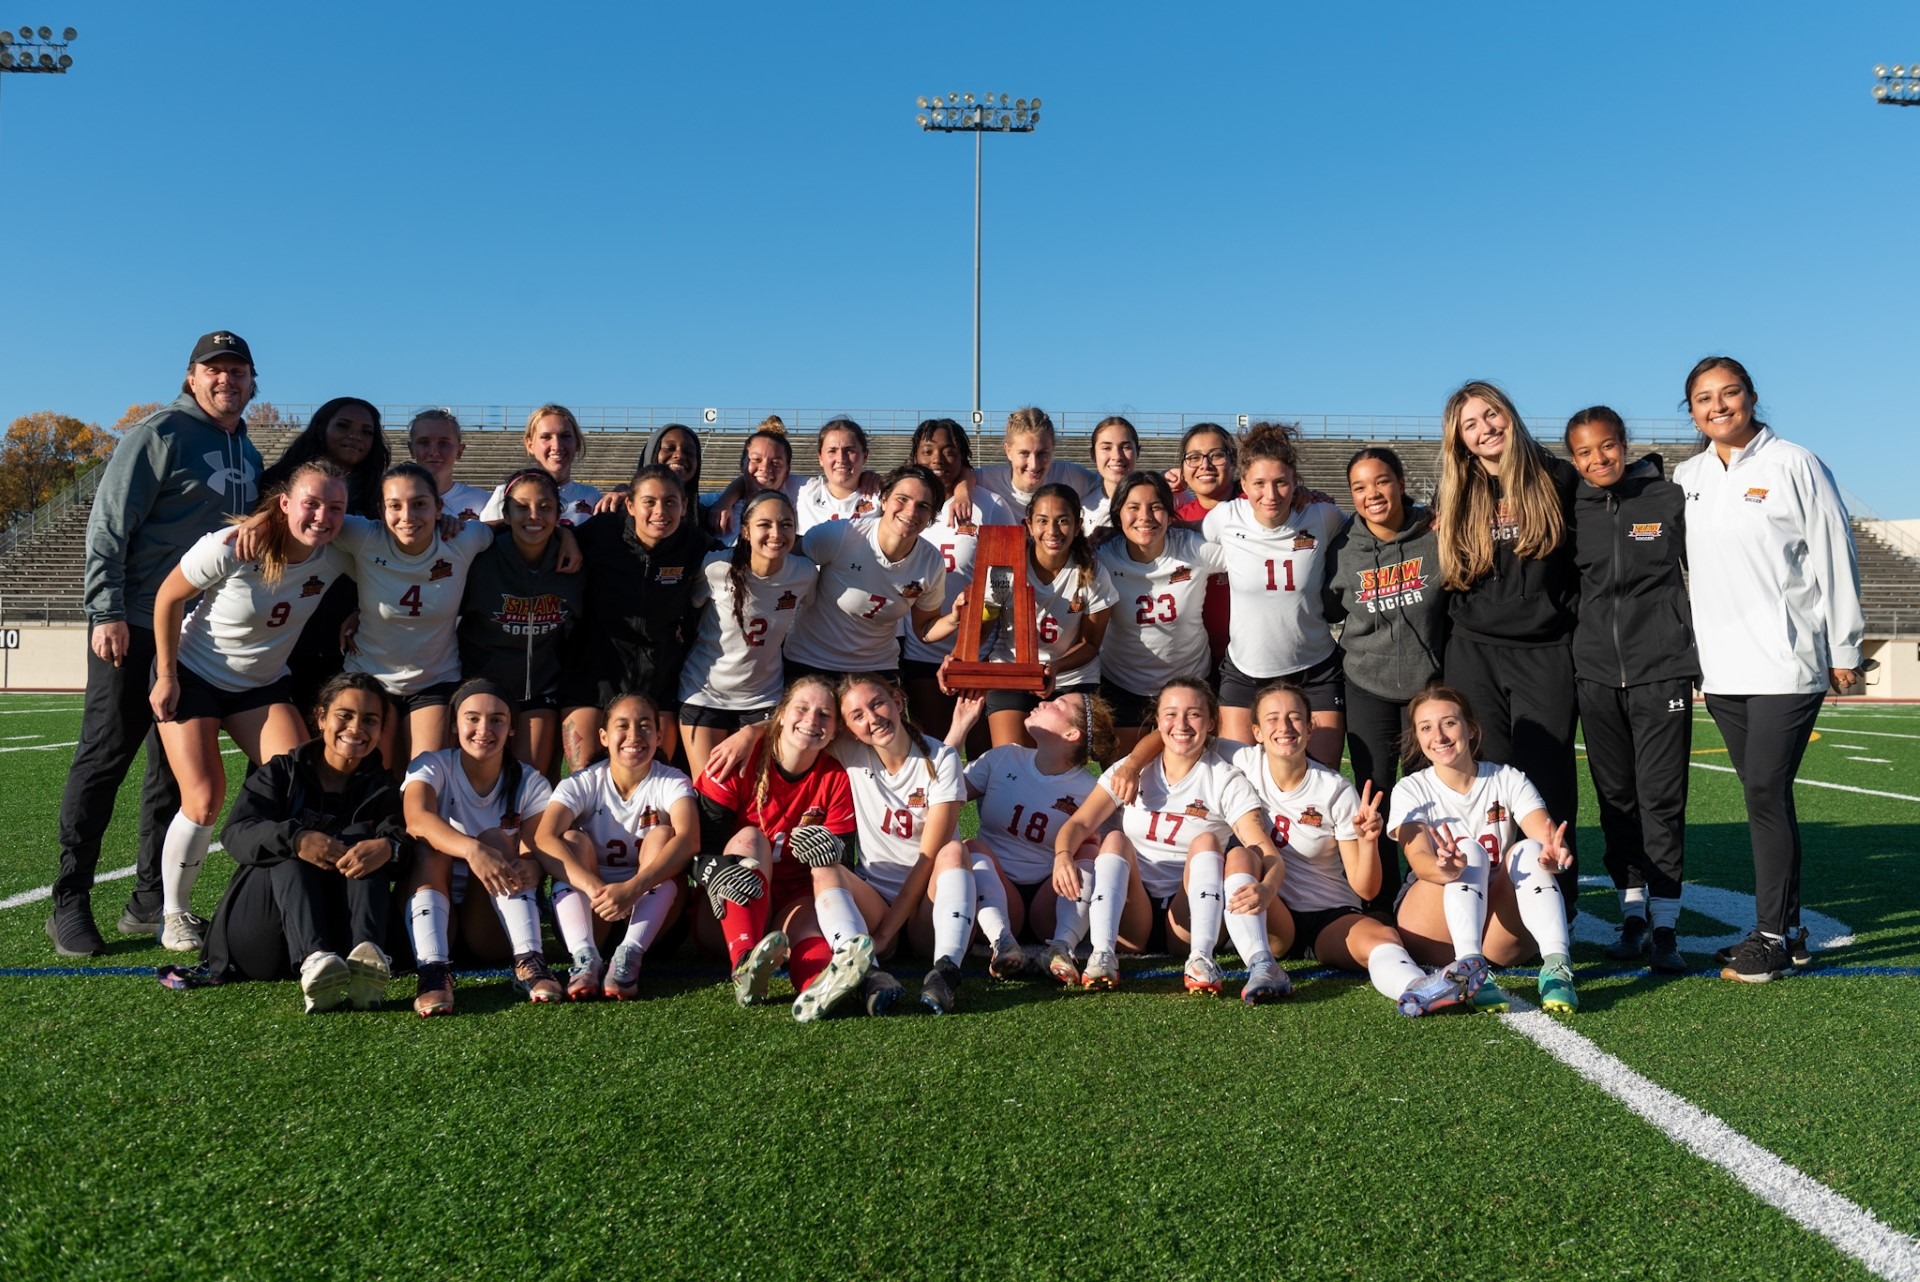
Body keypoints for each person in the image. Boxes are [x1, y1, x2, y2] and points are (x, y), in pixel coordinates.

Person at [49, 330, 264, 957]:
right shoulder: (160, 433)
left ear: (253, 382)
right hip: (139, 622)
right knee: (104, 758)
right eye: (214, 369)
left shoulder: (247, 449)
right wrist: (106, 610)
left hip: (199, 634)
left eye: (238, 370)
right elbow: (109, 525)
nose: (226, 379)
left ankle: (149, 899)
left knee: (173, 769)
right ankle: (69, 899)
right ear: (192, 377)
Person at [1674, 356, 1865, 982]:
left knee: (1762, 790)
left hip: (1787, 661)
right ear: (1692, 411)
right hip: (1722, 670)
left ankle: (1772, 938)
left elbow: (1835, 551)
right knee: (1765, 797)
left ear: (1752, 398)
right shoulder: (1688, 475)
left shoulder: (1795, 464)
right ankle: (1792, 931)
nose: (1718, 406)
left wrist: (1844, 647)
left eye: (1729, 392)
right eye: (1704, 398)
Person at [146, 461, 352, 952]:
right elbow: (168, 598)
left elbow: (400, 546)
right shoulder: (232, 545)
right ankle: (173, 913)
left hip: (260, 685)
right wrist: (167, 675)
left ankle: (291, 905)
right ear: (284, 503)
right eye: (311, 504)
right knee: (203, 797)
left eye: (335, 507)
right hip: (193, 674)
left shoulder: (342, 545)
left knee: (305, 784)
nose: (323, 516)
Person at [1435, 381, 1582, 905]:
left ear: (1510, 415)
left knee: (1548, 779)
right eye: (1470, 424)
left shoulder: (1558, 477)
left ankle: (1556, 902)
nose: (1485, 429)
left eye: (1491, 415)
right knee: (1485, 781)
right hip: (1474, 651)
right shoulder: (1455, 491)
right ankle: (1491, 901)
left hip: (1544, 650)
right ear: (1460, 439)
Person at [1052, 678, 1288, 1001]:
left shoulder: (1224, 779)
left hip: (1190, 916)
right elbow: (1079, 823)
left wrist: (1267, 887)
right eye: (1171, 714)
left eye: (1194, 714)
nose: (1182, 724)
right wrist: (1062, 855)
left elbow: (1263, 850)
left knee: (1207, 841)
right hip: (1131, 914)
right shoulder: (1131, 769)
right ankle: (1102, 954)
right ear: (1157, 721)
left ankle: (1201, 959)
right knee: (1115, 840)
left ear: (1211, 723)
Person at [1565, 407, 1696, 974]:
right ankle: (1633, 913)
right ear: (1573, 459)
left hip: (1661, 669)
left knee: (1661, 800)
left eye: (1607, 446)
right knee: (1616, 799)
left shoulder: (1668, 497)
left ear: (1625, 443)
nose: (1599, 459)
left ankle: (1665, 926)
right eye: (1585, 452)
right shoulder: (1572, 505)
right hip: (1595, 674)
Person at [192, 673, 409, 1012]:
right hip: (265, 937)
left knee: (366, 843)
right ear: (321, 717)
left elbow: (410, 849)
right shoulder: (281, 772)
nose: (356, 728)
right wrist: (297, 839)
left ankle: (367, 960)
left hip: (341, 938)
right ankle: (313, 959)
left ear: (381, 730)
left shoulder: (384, 788)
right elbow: (235, 834)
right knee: (289, 842)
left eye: (370, 720)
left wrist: (389, 849)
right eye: (345, 715)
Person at [1223, 682, 1439, 1014]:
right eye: (1272, 719)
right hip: (1272, 914)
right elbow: (1182, 736)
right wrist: (1138, 763)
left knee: (1383, 938)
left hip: (1327, 915)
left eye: (1295, 717)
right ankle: (1261, 963)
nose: (1285, 727)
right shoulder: (1242, 762)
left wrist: (1368, 842)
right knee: (1240, 855)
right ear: (1257, 732)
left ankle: (1417, 990)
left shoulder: (1334, 789)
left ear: (1310, 728)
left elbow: (1366, 889)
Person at [690, 675, 880, 1022]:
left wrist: (830, 851)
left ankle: (818, 987)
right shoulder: (737, 759)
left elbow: (842, 864)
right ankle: (744, 963)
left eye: (824, 715)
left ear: (835, 731)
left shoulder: (835, 777)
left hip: (790, 906)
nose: (811, 720)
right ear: (780, 715)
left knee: (809, 916)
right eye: (802, 708)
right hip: (727, 908)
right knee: (751, 839)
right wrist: (714, 872)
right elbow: (695, 848)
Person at [1389, 685, 1578, 1015]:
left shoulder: (1507, 778)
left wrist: (1553, 858)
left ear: (1471, 728)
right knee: (1469, 852)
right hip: (1432, 924)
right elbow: (1419, 860)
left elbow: (1546, 838)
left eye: (1449, 723)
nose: (1439, 736)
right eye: (1426, 727)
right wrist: (1443, 868)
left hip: (1494, 926)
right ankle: (1469, 969)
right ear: (1417, 737)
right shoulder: (1411, 788)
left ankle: (1557, 967)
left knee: (1529, 850)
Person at [1322, 446, 1446, 910]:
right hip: (1366, 684)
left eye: (1381, 481)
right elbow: (1329, 607)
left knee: (1425, 794)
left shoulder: (1434, 532)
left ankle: (1424, 896)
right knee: (1375, 791)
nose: (1371, 494)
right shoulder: (1343, 548)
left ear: (1401, 482)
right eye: (1359, 487)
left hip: (1427, 688)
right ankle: (1379, 899)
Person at [401, 679, 561, 1014]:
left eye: (497, 719)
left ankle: (530, 960)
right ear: (454, 725)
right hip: (432, 909)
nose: (484, 729)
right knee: (433, 847)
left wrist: (532, 866)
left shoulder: (529, 781)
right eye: (472, 718)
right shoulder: (431, 765)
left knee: (495, 839)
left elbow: (536, 848)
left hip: (489, 923)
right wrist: (472, 850)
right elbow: (417, 820)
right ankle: (433, 971)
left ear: (512, 728)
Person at [532, 692, 699, 1000]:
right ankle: (584, 957)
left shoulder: (672, 781)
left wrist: (634, 888)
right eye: (622, 725)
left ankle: (630, 953)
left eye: (644, 725)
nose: (634, 735)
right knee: (571, 840)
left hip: (652, 921)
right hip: (593, 914)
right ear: (604, 736)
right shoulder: (583, 782)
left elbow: (689, 839)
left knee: (663, 836)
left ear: (659, 735)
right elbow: (543, 838)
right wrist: (596, 889)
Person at [945, 687, 1116, 986]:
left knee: (1090, 851)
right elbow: (939, 796)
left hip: (1053, 901)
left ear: (1072, 734)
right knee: (971, 847)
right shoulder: (1003, 757)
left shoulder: (1090, 788)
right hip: (994, 894)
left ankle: (1062, 946)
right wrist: (958, 730)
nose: (1044, 702)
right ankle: (1002, 942)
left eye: (1058, 704)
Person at [334, 462, 498, 771]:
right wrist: (259, 522)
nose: (407, 516)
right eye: (395, 506)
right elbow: (308, 518)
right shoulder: (364, 535)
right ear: (380, 510)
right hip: (369, 677)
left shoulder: (462, 538)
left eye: (420, 504)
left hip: (434, 680)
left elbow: (513, 527)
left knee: (424, 778)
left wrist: (564, 536)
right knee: (371, 776)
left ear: (439, 507)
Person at [1203, 422, 1346, 762]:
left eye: (1281, 482)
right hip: (1246, 670)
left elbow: (1371, 531)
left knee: (1322, 777)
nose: (1271, 494)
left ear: (1296, 481)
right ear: (1243, 484)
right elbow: (1178, 539)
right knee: (1239, 778)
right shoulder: (1224, 518)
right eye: (1259, 483)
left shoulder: (1323, 516)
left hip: (1315, 669)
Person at [828, 675, 972, 1014]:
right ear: (849, 730)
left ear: (897, 701)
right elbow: (795, 730)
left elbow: (927, 859)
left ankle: (945, 972)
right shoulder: (850, 750)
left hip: (927, 909)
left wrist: (883, 935)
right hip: (876, 903)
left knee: (953, 850)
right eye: (857, 715)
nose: (872, 718)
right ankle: (864, 971)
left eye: (877, 703)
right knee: (825, 870)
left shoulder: (942, 757)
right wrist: (748, 735)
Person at [560, 462, 712, 772]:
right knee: (585, 778)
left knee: (653, 779)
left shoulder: (694, 544)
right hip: (594, 673)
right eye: (649, 502)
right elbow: (543, 534)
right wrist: (564, 534)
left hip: (659, 676)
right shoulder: (601, 533)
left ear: (684, 506)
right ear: (630, 505)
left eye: (670, 502)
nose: (660, 511)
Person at [258, 398, 389, 712]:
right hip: (284, 626)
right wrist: (258, 519)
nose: (355, 435)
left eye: (367, 431)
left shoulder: (381, 495)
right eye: (343, 425)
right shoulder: (279, 483)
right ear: (321, 429)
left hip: (347, 631)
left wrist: (362, 610)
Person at [456, 467, 586, 777]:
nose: (534, 516)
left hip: (540, 690)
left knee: (530, 781)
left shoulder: (575, 561)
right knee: (479, 781)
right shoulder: (479, 556)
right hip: (483, 686)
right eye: (522, 507)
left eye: (545, 507)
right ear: (506, 513)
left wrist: (566, 535)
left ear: (559, 514)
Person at [677, 489, 816, 778]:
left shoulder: (804, 573)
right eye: (764, 524)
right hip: (705, 693)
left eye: (786, 524)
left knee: (756, 790)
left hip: (763, 697)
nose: (776, 533)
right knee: (711, 791)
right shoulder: (716, 567)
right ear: (745, 531)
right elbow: (689, 605)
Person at [782, 464, 961, 685]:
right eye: (902, 499)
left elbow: (924, 630)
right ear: (884, 500)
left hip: (876, 668)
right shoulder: (841, 534)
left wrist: (955, 618)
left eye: (923, 506)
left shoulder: (931, 562)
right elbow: (785, 569)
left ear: (932, 516)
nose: (911, 512)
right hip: (811, 662)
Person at [1095, 470, 1228, 754]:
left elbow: (1252, 551)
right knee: (1122, 772)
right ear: (1118, 513)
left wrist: (1296, 506)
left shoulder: (1192, 549)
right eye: (1133, 507)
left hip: (1190, 682)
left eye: (1155, 507)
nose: (1145, 517)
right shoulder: (1103, 556)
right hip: (1123, 684)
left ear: (1169, 514)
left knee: (1194, 770)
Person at [900, 417, 1015, 741]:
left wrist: (978, 638)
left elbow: (1005, 577)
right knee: (932, 749)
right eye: (928, 451)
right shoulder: (903, 506)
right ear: (915, 456)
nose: (938, 459)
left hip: (978, 649)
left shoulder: (990, 506)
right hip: (920, 650)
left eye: (949, 451)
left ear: (963, 456)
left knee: (984, 756)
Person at [980, 483, 1117, 747]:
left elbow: (1090, 644)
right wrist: (963, 639)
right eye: (1042, 521)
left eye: (1062, 521)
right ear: (1029, 525)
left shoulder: (1092, 572)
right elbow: (984, 628)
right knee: (1011, 758)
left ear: (1077, 526)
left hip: (1071, 675)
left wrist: (1055, 667)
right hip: (1013, 670)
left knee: (1062, 760)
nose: (1052, 530)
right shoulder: (1006, 568)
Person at [1170, 422, 1240, 670]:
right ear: (1182, 468)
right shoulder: (1174, 522)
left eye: (1216, 455)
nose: (1205, 465)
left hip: (1253, 656)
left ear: (1233, 461)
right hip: (1195, 660)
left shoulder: (1257, 507)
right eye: (1194, 457)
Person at [479, 404, 601, 525]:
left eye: (565, 436)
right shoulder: (506, 494)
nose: (557, 446)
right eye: (546, 437)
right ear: (530, 445)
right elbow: (485, 536)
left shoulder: (592, 496)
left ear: (577, 443)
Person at [973, 406, 1102, 519]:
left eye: (1042, 453)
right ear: (1008, 451)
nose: (1034, 464)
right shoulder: (986, 481)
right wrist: (963, 489)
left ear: (1053, 448)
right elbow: (963, 476)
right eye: (1024, 453)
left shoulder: (1071, 476)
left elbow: (1109, 488)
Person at [710, 418, 801, 543]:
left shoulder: (800, 497)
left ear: (787, 471)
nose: (765, 468)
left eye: (775, 463)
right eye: (756, 460)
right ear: (742, 463)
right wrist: (725, 501)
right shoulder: (714, 506)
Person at [793, 418, 880, 533]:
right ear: (820, 457)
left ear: (865, 456)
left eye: (849, 450)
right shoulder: (801, 490)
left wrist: (881, 482)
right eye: (832, 451)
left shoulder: (880, 497)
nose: (841, 459)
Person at [407, 408, 490, 523]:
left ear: (459, 451)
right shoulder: (395, 502)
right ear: (411, 449)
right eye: (424, 443)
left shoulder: (483, 502)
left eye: (443, 443)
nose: (434, 452)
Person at [1081, 415, 1140, 535]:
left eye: (1125, 447)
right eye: (1106, 448)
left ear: (1137, 452)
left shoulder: (1156, 501)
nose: (1117, 456)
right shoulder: (1084, 508)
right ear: (1093, 454)